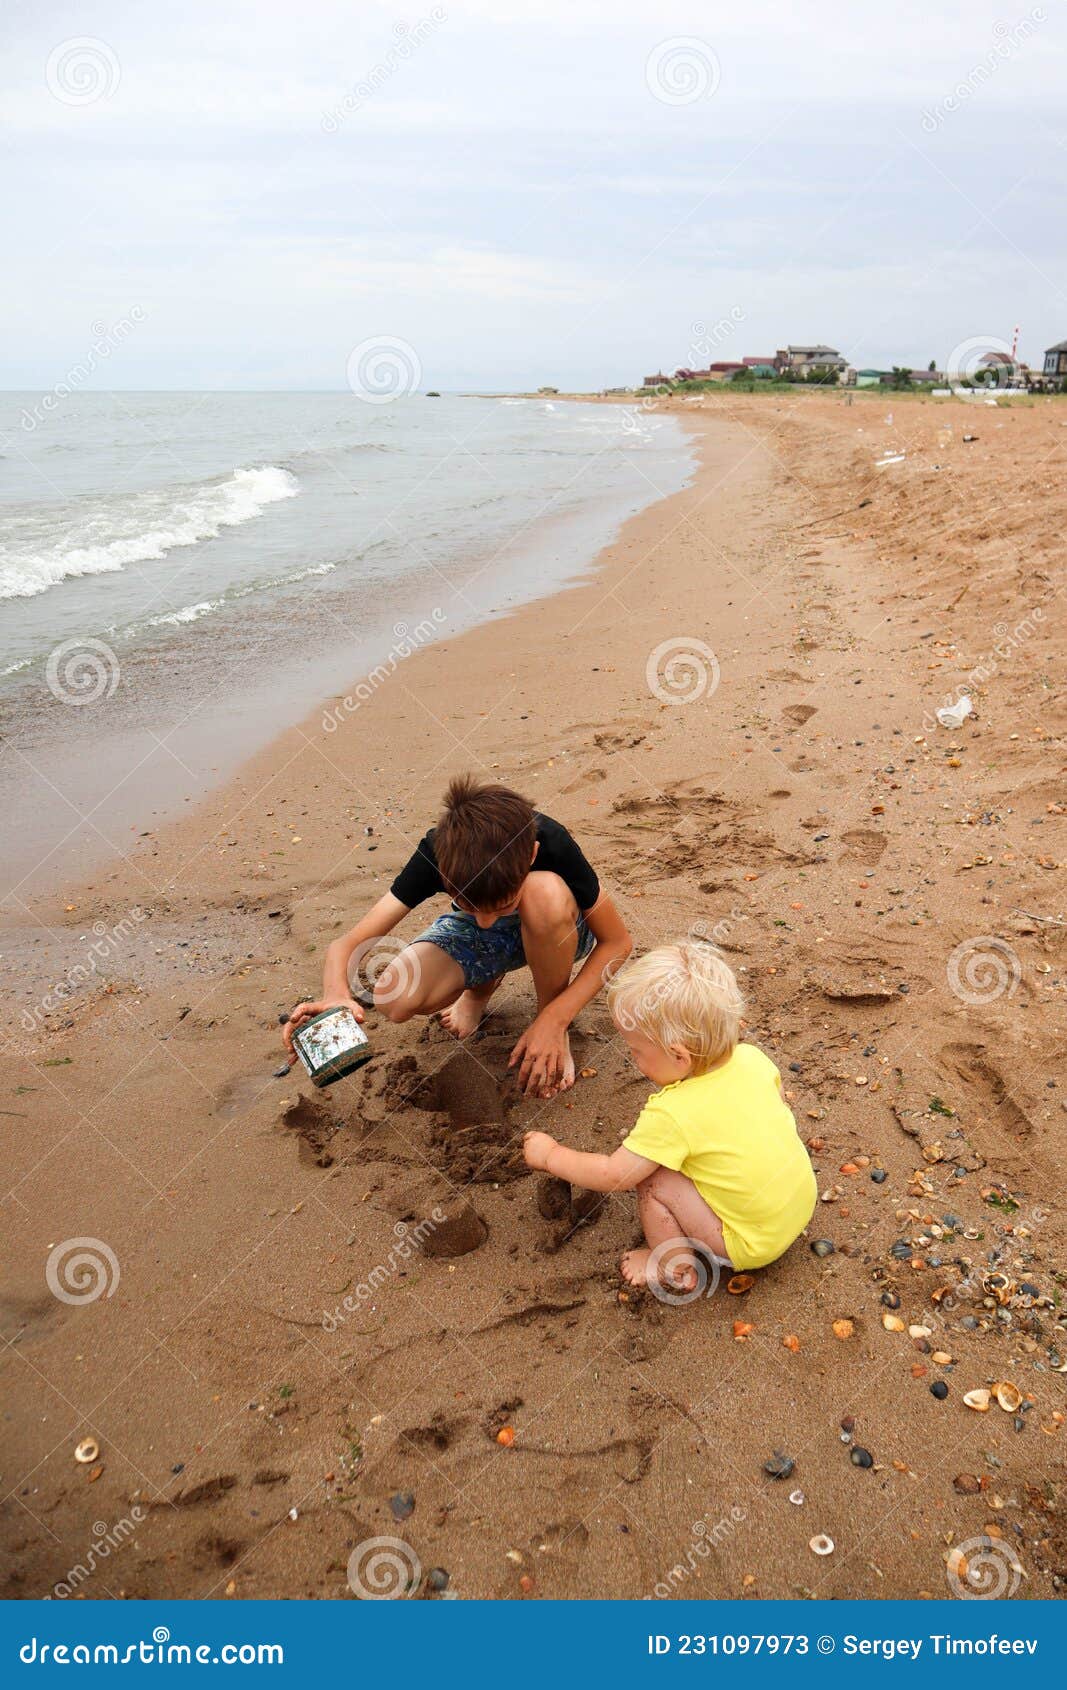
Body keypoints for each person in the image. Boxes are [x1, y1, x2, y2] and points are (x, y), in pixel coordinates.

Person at [283, 774, 631, 1098]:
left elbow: (617, 942)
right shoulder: (438, 852)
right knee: (394, 997)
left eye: (501, 904)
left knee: (544, 894)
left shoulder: (549, 842)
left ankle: (550, 1026)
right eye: (467, 903)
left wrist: (555, 1018)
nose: (484, 922)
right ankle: (480, 990)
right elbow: (346, 945)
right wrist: (334, 995)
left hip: (562, 930)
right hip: (500, 941)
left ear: (532, 855)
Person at [523, 941, 817, 1291]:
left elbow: (615, 1174)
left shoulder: (672, 1113)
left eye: (637, 1050)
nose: (633, 1059)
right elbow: (775, 1111)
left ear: (679, 1056)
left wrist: (551, 1155)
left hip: (750, 1243)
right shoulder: (753, 1059)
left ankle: (671, 1265)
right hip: (798, 1208)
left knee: (653, 1180)